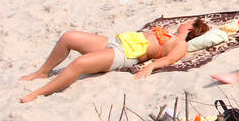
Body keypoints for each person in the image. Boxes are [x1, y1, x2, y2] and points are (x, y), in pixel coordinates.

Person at [19, 19, 211, 101]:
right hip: (113, 42)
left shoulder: (180, 43)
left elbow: (170, 59)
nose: (184, 21)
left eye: (189, 22)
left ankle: (39, 93)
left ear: (191, 27)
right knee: (68, 37)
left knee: (79, 64)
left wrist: (151, 66)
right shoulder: (169, 32)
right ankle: (42, 72)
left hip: (125, 55)